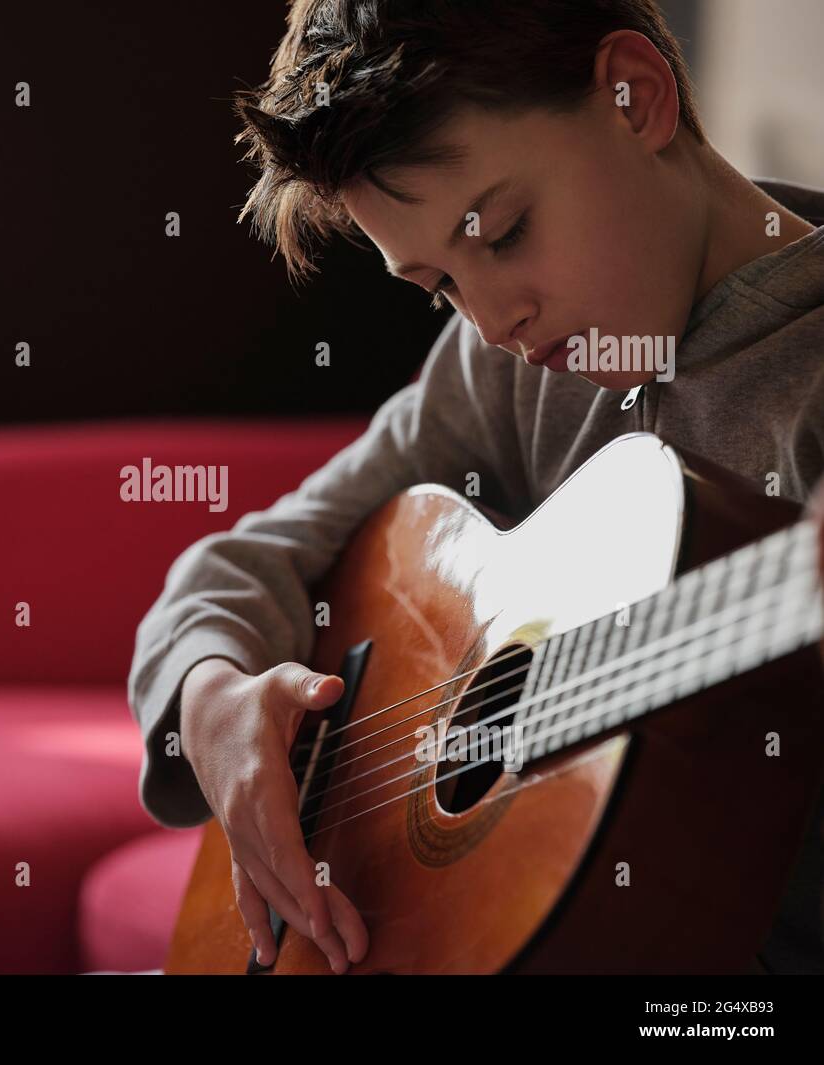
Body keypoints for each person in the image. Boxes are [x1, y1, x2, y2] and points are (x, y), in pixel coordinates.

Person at [126, 0, 824, 974]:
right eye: (438, 287)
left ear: (637, 97)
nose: (492, 319)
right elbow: (244, 561)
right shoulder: (507, 369)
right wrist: (211, 699)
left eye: (500, 233)